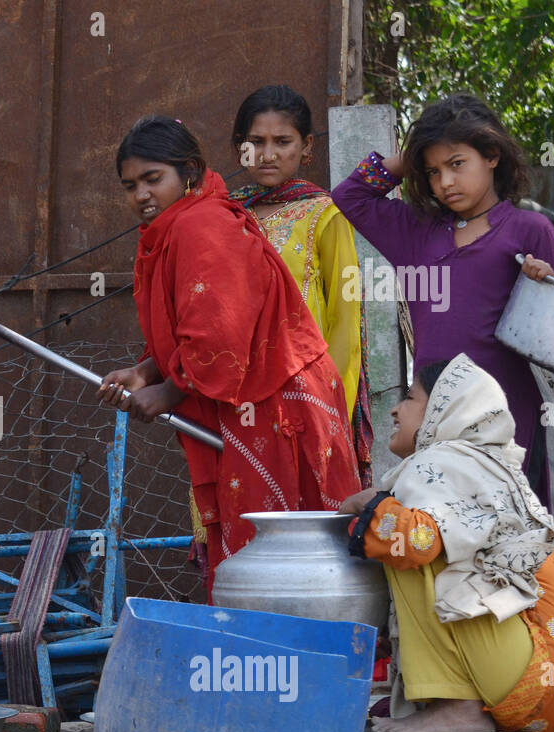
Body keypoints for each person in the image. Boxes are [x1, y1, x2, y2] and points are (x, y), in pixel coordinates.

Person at [98, 116, 361, 597]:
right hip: (261, 394)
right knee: (272, 553)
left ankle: (294, 659)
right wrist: (145, 370)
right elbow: (192, 325)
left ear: (190, 172)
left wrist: (169, 391)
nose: (140, 195)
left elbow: (224, 332)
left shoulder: (202, 225)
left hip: (280, 396)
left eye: (153, 179)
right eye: (130, 185)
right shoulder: (178, 225)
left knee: (281, 553)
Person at [331, 92, 554, 507]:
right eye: (432, 171)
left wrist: (545, 288)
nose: (445, 182)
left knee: (507, 533)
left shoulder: (528, 230)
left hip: (509, 417)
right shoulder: (417, 232)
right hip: (435, 417)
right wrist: (416, 152)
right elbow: (349, 196)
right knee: (437, 530)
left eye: (457, 164)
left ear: (492, 155)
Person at [340, 355, 554, 732]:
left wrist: (368, 503)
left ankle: (458, 706)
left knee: (400, 540)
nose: (394, 409)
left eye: (410, 398)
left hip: (534, 676)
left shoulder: (440, 461)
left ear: (446, 409)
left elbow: (415, 543)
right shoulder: (490, 465)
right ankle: (457, 701)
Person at [229, 85, 373, 485]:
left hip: (305, 395)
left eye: (283, 141)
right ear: (239, 146)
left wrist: (331, 410)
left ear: (306, 146)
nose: (268, 153)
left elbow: (345, 322)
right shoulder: (224, 216)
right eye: (256, 142)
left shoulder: (325, 214)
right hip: (236, 393)